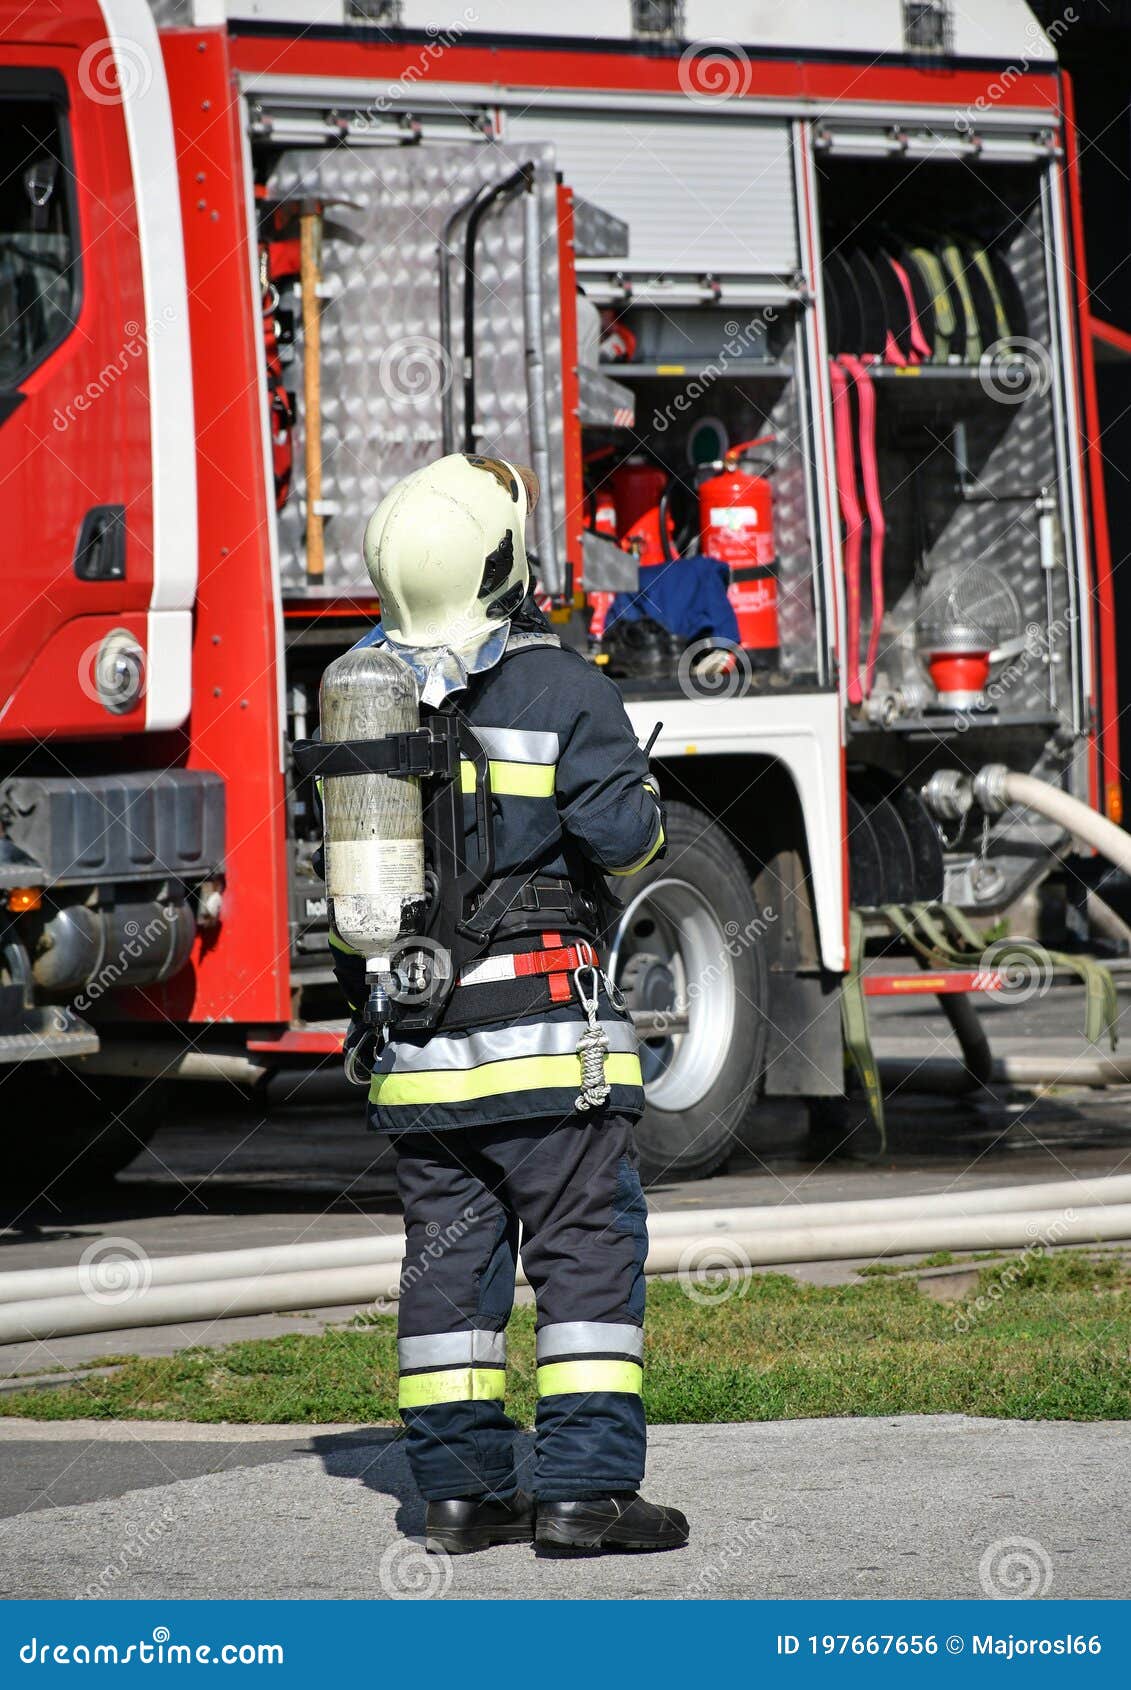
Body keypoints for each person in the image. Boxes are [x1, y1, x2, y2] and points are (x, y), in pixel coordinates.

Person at [327, 452, 689, 1557]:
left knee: (449, 1269)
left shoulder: (357, 692)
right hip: (546, 1056)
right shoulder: (564, 686)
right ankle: (584, 1492)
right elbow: (630, 844)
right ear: (500, 560)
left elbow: (356, 899)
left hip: (420, 1053)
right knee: (584, 1257)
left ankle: (460, 1495)